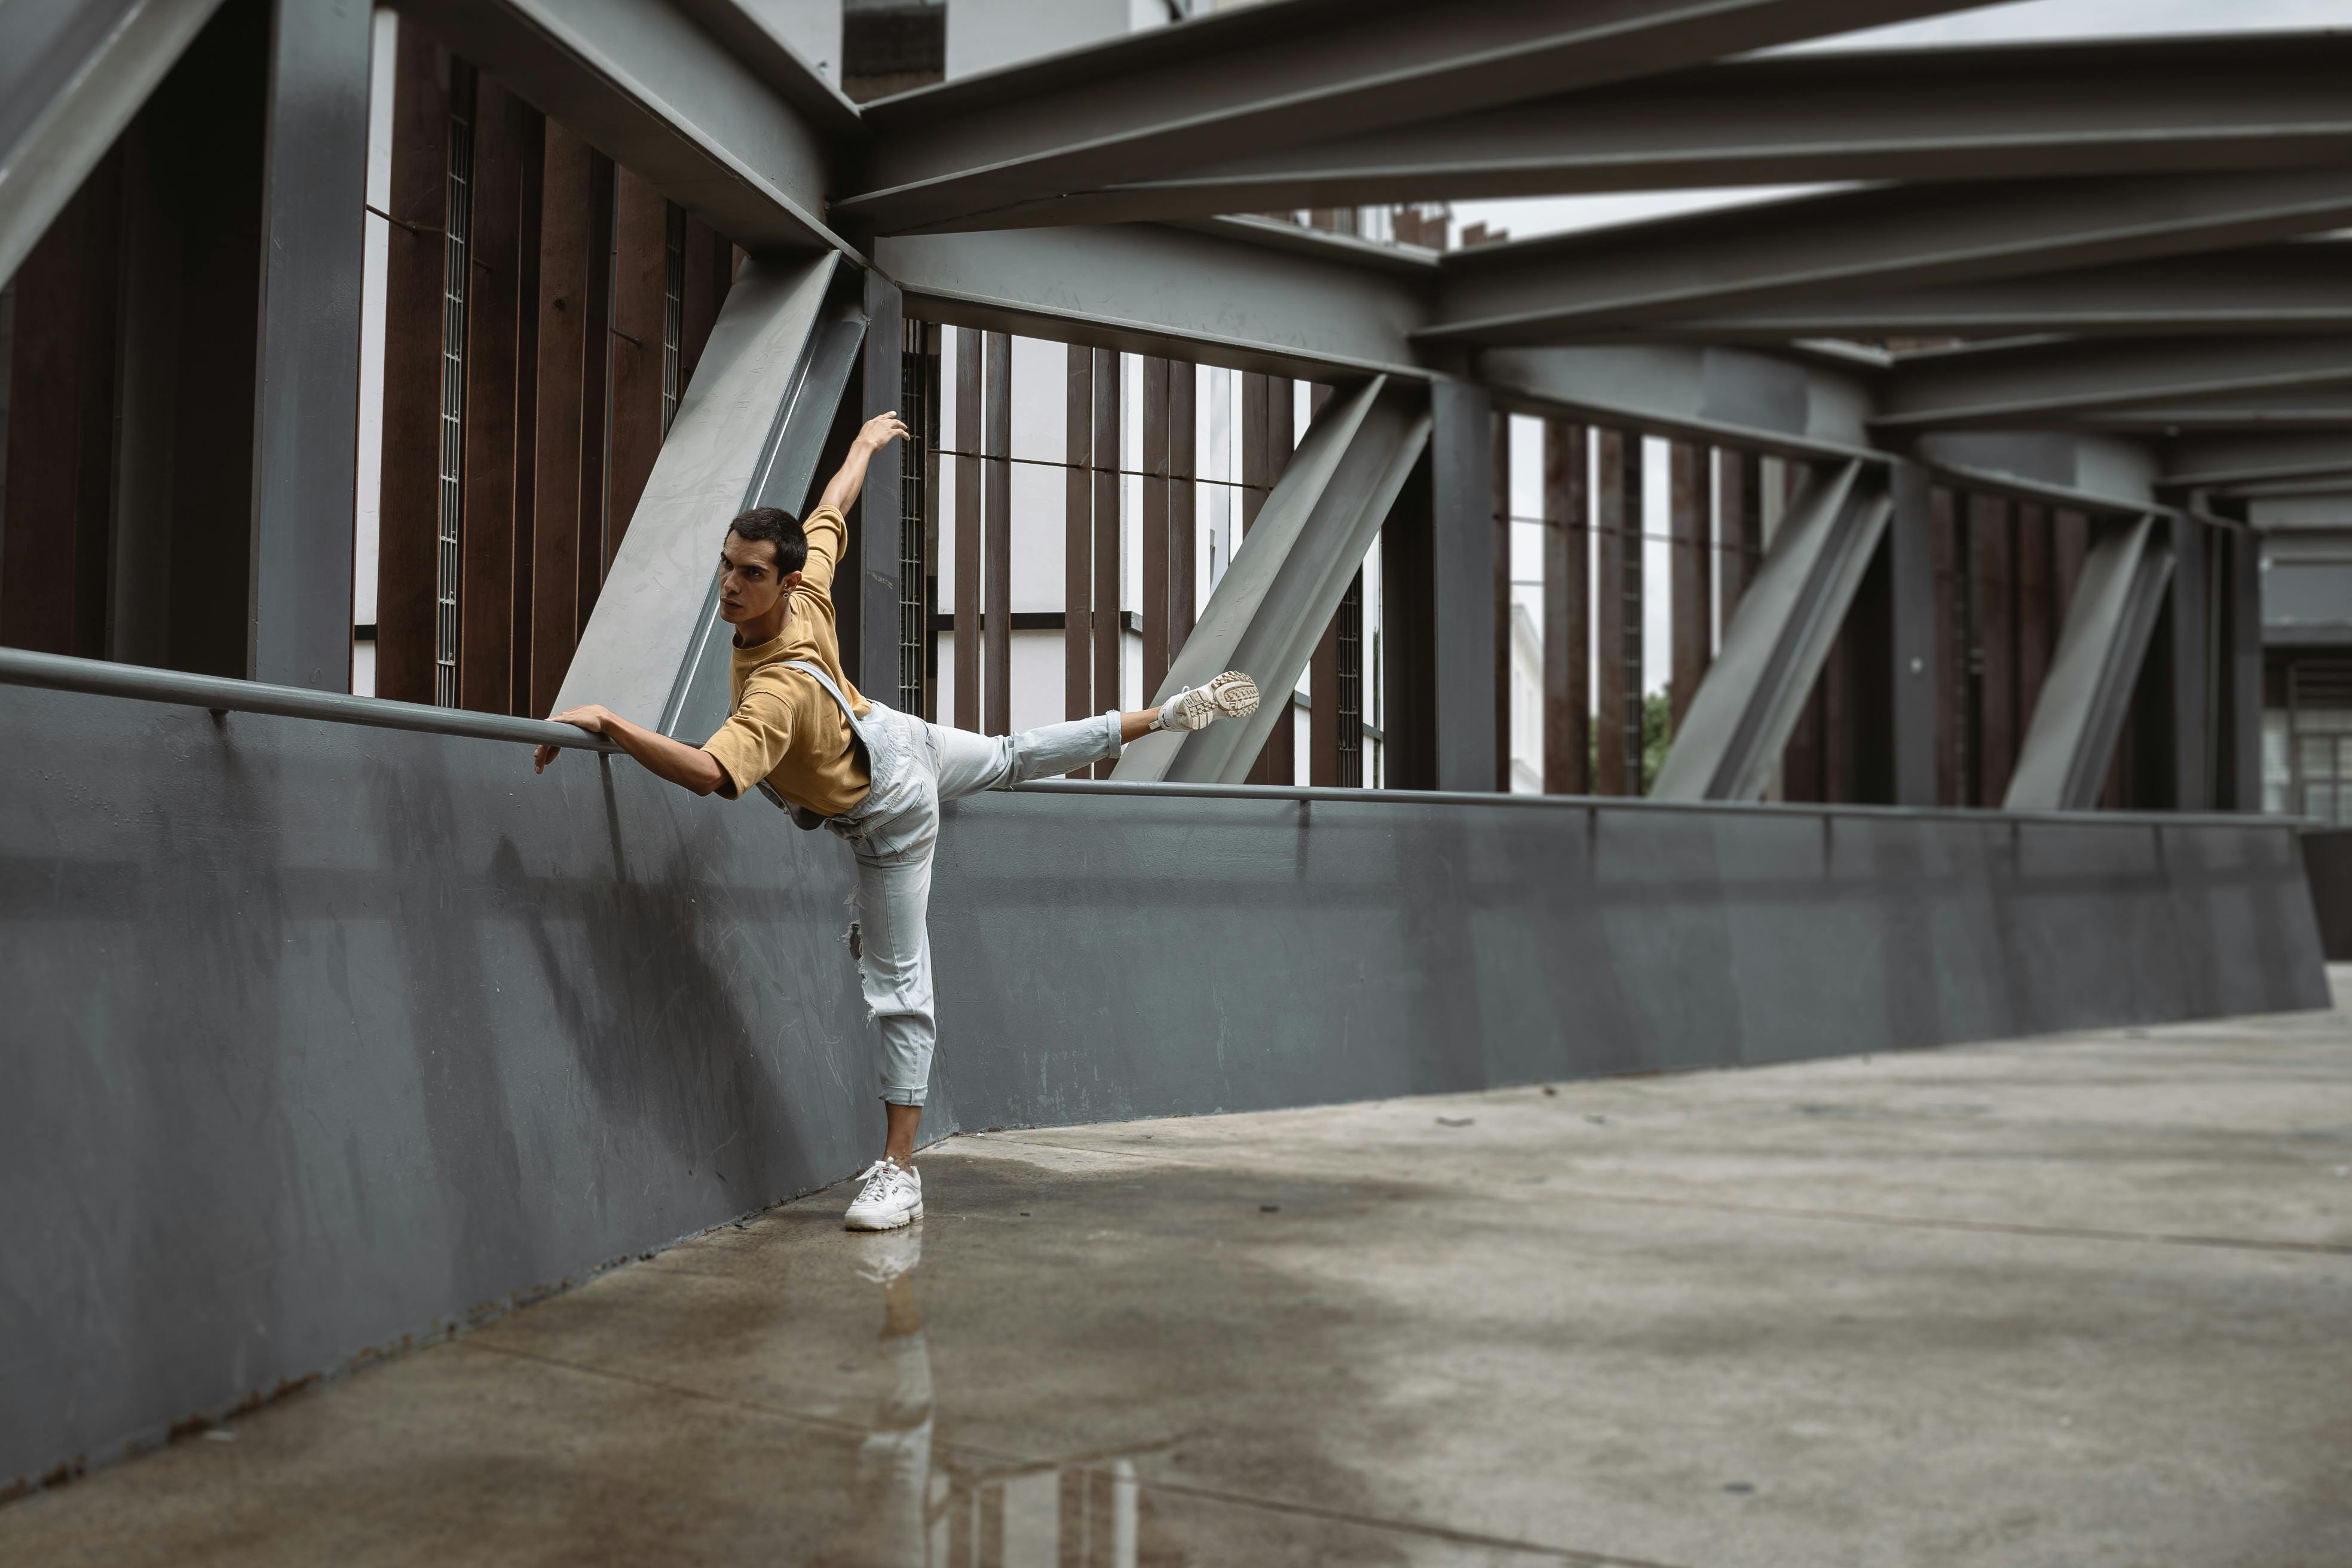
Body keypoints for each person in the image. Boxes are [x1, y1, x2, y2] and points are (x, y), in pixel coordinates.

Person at [533, 412, 1258, 1230]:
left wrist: (611, 721)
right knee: (1012, 754)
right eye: (726, 565)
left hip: (890, 814)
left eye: (748, 574)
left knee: (900, 991)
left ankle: (900, 1173)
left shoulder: (777, 691)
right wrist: (864, 446)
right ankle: (1164, 715)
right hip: (898, 735)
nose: (729, 585)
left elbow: (709, 773)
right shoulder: (808, 588)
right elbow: (831, 510)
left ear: (781, 582)